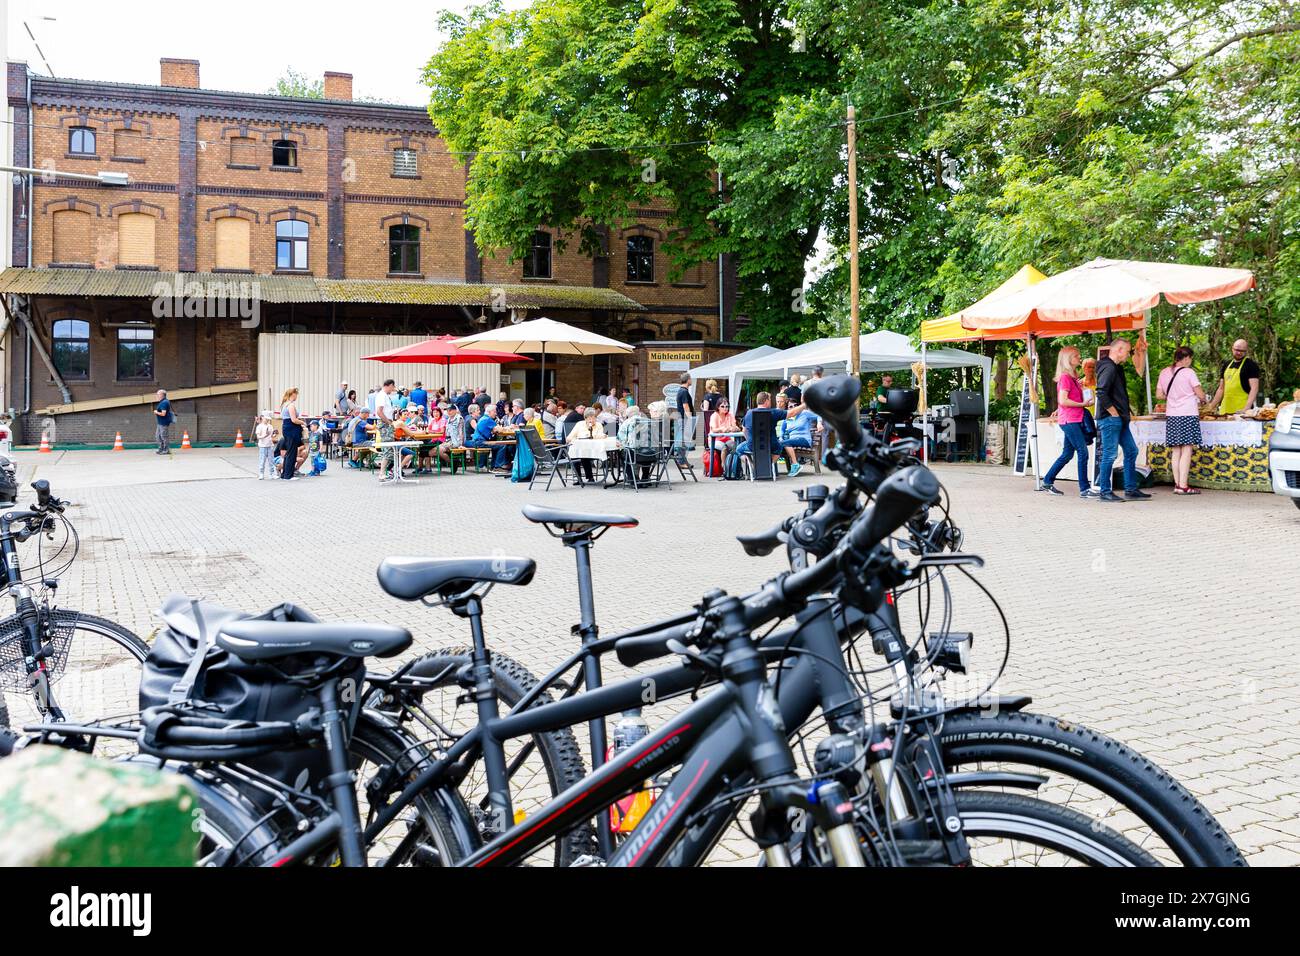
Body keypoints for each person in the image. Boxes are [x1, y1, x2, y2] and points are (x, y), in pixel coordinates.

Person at [1094, 339, 1150, 502]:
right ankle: (1105, 491)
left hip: (1120, 419)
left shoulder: (1116, 368)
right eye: (1128, 351)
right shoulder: (1108, 366)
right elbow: (1101, 392)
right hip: (1111, 419)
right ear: (1119, 349)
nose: (1129, 354)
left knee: (1131, 450)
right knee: (1110, 455)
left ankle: (1130, 489)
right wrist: (1113, 413)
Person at [1041, 346, 1095, 498]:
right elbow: (1063, 400)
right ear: (1068, 359)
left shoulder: (1073, 378)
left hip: (1072, 419)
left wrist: (1065, 407)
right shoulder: (1065, 378)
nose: (1079, 358)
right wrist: (1082, 405)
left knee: (1067, 454)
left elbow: (1064, 400)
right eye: (1076, 356)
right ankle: (1084, 489)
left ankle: (1047, 481)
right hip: (1070, 421)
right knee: (1083, 452)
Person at [1157, 346, 1210, 496]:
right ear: (1186, 358)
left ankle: (1177, 484)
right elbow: (1200, 393)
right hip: (1187, 413)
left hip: (1172, 414)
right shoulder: (1189, 372)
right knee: (1187, 448)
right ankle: (1184, 485)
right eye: (1190, 359)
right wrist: (1204, 399)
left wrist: (1174, 395)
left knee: (1176, 450)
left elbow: (1159, 395)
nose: (1190, 362)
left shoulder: (1164, 372)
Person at [1207, 338, 1261, 415]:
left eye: (1242, 351)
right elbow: (1221, 388)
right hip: (1225, 409)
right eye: (1237, 350)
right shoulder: (1226, 364)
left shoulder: (1251, 365)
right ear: (1232, 348)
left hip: (1243, 410)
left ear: (1246, 351)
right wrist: (1211, 407)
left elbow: (1254, 388)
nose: (1239, 353)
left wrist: (1246, 408)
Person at [736, 391, 785, 473]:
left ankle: (753, 467)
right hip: (771, 444)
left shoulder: (749, 413)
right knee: (779, 447)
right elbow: (791, 413)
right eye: (769, 399)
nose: (770, 401)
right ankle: (768, 466)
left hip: (753, 445)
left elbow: (744, 430)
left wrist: (750, 440)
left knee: (738, 449)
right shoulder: (773, 412)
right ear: (766, 401)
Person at [777, 397, 817, 478]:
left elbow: (818, 416)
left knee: (785, 442)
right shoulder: (787, 417)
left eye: (795, 405)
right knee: (778, 443)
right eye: (791, 407)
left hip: (804, 439)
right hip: (792, 440)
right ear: (788, 408)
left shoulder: (804, 413)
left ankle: (795, 465)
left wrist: (819, 423)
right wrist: (781, 436)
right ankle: (773, 468)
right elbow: (782, 429)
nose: (794, 408)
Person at [566, 408, 607, 482]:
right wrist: (573, 440)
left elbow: (601, 436)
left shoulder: (598, 425)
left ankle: (590, 477)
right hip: (580, 448)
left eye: (594, 417)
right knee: (576, 455)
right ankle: (579, 479)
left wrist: (592, 436)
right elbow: (569, 437)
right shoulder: (579, 424)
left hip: (594, 449)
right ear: (585, 418)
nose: (592, 420)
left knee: (584, 454)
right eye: (589, 418)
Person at [279, 388, 306, 481]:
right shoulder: (290, 405)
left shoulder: (284, 404)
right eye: (296, 394)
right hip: (291, 430)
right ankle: (288, 475)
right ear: (292, 394)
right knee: (292, 453)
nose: (296, 396)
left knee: (289, 452)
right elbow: (294, 419)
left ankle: (284, 474)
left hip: (287, 429)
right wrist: (302, 422)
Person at [374, 379, 398, 483]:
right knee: (388, 449)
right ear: (389, 385)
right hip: (384, 423)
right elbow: (379, 411)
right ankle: (382, 473)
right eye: (393, 387)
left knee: (389, 449)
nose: (393, 389)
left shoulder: (384, 395)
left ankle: (386, 472)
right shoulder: (382, 395)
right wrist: (388, 422)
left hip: (386, 423)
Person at [709, 397, 739, 477]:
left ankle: (735, 468)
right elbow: (714, 429)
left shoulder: (730, 415)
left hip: (727, 439)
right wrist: (723, 429)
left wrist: (734, 428)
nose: (725, 408)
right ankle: (725, 469)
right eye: (722, 406)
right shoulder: (714, 416)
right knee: (724, 447)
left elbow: (735, 427)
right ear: (718, 407)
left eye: (727, 406)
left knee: (736, 446)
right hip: (715, 440)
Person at [254, 414, 277, 480]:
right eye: (266, 418)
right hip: (262, 446)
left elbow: (272, 436)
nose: (267, 420)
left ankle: (271, 474)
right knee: (262, 460)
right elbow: (258, 437)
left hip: (270, 445)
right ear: (262, 418)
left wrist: (274, 435)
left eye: (268, 419)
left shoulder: (270, 426)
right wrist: (265, 435)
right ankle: (261, 474)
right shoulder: (259, 426)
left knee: (271, 460)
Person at [153, 389, 174, 455]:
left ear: (162, 395)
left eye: (158, 394)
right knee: (158, 436)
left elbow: (163, 413)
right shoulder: (163, 401)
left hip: (163, 423)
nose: (157, 396)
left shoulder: (164, 402)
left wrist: (156, 412)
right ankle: (161, 449)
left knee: (164, 436)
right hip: (160, 423)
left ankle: (166, 450)